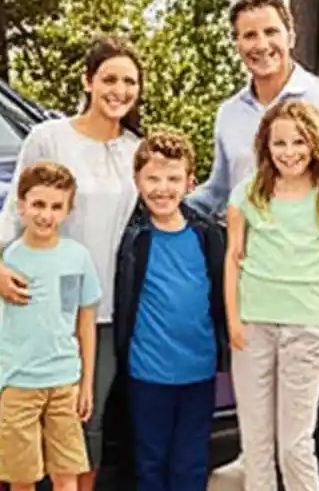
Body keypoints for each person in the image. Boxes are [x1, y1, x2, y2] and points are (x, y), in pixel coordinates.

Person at [187, 0, 319, 491]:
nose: (261, 43)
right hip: (256, 293)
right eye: (249, 35)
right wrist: (171, 203)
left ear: (290, 35)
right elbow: (221, 190)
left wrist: (318, 240)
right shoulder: (230, 114)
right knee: (263, 434)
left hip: (312, 288)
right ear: (237, 43)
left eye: (271, 31)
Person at [0, 34, 145, 491]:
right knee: (15, 428)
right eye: (109, 78)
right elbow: (15, 209)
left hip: (105, 313)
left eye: (129, 81)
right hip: (43, 305)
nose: (119, 90)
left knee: (81, 424)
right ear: (88, 81)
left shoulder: (136, 149)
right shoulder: (50, 137)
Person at [224, 99, 319, 491]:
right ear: (266, 146)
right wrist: (233, 319)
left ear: (315, 144)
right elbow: (233, 258)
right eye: (279, 143)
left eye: (299, 142)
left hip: (307, 327)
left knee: (295, 444)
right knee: (256, 442)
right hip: (253, 326)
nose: (289, 152)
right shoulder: (248, 194)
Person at [0, 161, 102, 491]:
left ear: (68, 210)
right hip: (17, 383)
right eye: (38, 204)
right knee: (22, 477)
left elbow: (84, 323)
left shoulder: (77, 258)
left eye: (56, 207)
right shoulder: (7, 262)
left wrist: (86, 384)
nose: (46, 215)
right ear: (21, 206)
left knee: (67, 474)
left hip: (64, 382)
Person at [113, 129, 228, 491]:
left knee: (190, 464)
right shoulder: (133, 239)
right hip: (148, 373)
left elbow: (221, 296)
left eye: (173, 179)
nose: (162, 188)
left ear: (190, 182)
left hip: (198, 371)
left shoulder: (207, 236)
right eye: (153, 178)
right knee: (150, 463)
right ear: (137, 180)